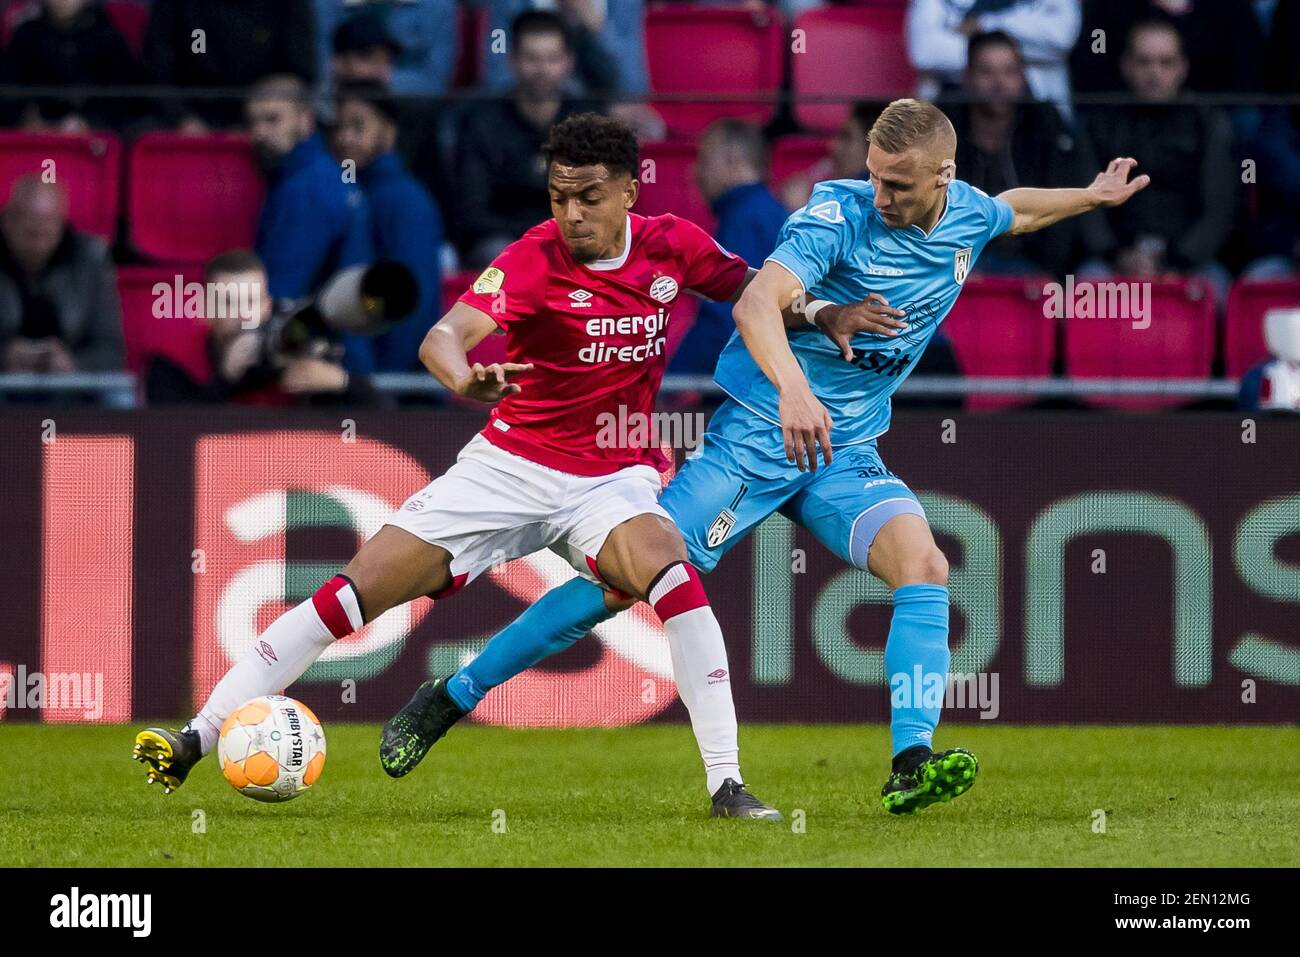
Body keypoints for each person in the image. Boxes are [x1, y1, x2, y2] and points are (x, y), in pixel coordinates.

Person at [131, 113, 896, 819]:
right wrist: (465, 375)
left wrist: (826, 315)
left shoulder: (673, 245)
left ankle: (727, 784)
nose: (570, 214)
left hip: (611, 477)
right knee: (347, 598)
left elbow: (756, 293)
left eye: (589, 197)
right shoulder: (532, 259)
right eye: (559, 195)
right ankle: (194, 737)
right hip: (505, 468)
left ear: (629, 191)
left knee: (675, 578)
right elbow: (442, 336)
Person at [426, 98, 1150, 816]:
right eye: (873, 176)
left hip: (842, 450)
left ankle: (910, 759)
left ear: (944, 177)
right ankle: (456, 693)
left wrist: (1091, 195)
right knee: (620, 582)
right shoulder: (835, 215)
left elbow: (1013, 210)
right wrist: (797, 392)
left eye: (898, 185)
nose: (881, 195)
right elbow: (753, 304)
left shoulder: (965, 211)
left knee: (924, 563)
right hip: (759, 434)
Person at [1079, 19, 1235, 298]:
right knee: (1084, 285)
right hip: (1114, 259)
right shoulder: (1100, 123)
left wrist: (1178, 260)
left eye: (1166, 63)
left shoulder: (1207, 122)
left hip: (1191, 261)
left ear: (1182, 67)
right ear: (1126, 65)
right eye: (1144, 62)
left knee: (1218, 289)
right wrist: (1116, 254)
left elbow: (1219, 207)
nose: (1154, 73)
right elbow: (1084, 200)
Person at [246, 75, 377, 373]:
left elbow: (283, 292)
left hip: (325, 364)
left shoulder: (306, 189)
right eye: (253, 122)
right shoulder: (318, 176)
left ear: (305, 120)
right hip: (344, 354)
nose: (259, 132)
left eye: (272, 120)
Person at [454, 10, 598, 267]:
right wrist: (536, 239)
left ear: (569, 62)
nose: (542, 69)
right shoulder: (482, 123)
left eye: (552, 59)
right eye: (532, 58)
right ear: (513, 61)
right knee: (499, 253)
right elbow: (472, 212)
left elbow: (603, 202)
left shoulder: (589, 123)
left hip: (572, 239)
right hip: (505, 242)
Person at [144, 249, 376, 406]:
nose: (243, 315)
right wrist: (223, 381)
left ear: (266, 306)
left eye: (251, 302)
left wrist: (342, 382)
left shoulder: (292, 348)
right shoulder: (172, 363)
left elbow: (386, 424)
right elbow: (170, 441)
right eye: (228, 303)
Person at [332, 83, 444, 372]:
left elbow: (412, 299)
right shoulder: (352, 190)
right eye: (339, 126)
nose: (344, 138)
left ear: (389, 132)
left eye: (358, 126)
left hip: (398, 387)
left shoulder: (406, 201)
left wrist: (385, 383)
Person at [671, 119, 787, 375]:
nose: (696, 172)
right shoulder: (764, 211)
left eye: (705, 160)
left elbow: (725, 317)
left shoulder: (746, 217)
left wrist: (668, 384)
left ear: (734, 159)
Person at [0, 177, 124, 376]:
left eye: (46, 234)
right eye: (30, 234)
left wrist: (72, 364)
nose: (38, 245)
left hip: (73, 387)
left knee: (121, 397)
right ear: (7, 222)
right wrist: (4, 357)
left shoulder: (91, 259)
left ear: (61, 226)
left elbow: (111, 352)